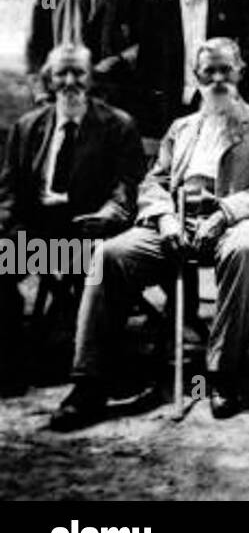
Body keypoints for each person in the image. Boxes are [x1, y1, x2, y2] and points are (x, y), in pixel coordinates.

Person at [52, 38, 249, 429]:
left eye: (225, 69)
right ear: (196, 77)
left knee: (245, 250)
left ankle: (222, 375)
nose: (217, 79)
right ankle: (88, 382)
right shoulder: (182, 127)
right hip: (175, 222)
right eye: (207, 71)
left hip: (236, 221)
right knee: (108, 256)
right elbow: (153, 184)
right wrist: (165, 219)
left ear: (240, 71)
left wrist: (226, 213)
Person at [0, 45, 145, 396]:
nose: (69, 82)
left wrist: (108, 215)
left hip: (86, 232)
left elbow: (127, 187)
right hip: (36, 233)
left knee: (98, 268)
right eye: (61, 74)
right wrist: (7, 225)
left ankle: (94, 371)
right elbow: (8, 190)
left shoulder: (117, 125)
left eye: (78, 73)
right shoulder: (28, 126)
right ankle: (11, 364)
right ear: (49, 79)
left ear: (91, 77)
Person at [137, 0, 249, 138]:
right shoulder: (157, 6)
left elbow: (244, 62)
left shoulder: (234, 3)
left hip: (222, 109)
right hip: (169, 113)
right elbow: (147, 68)